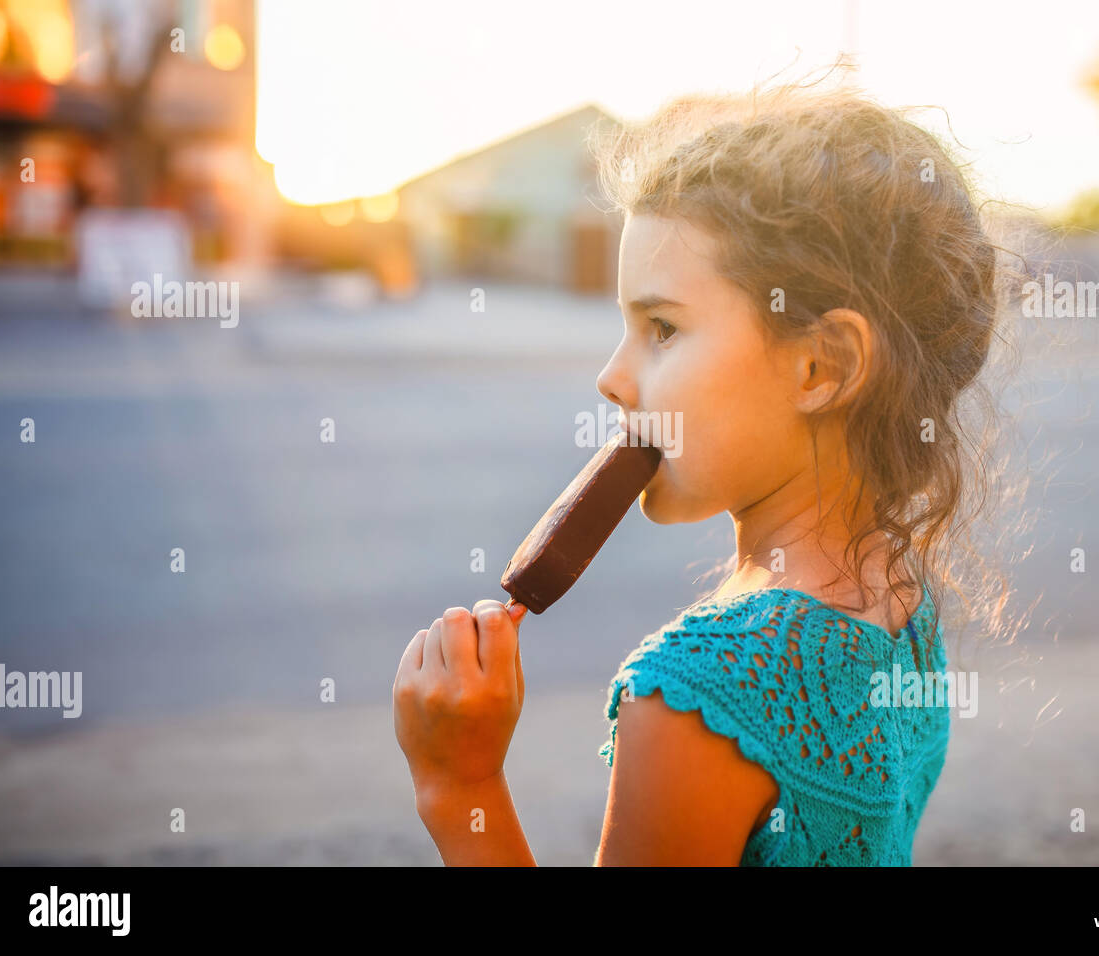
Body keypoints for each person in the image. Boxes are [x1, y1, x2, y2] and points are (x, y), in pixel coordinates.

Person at [393, 57, 1015, 866]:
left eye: (662, 329)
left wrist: (460, 786)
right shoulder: (902, 597)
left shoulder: (695, 696)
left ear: (820, 366)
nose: (611, 378)